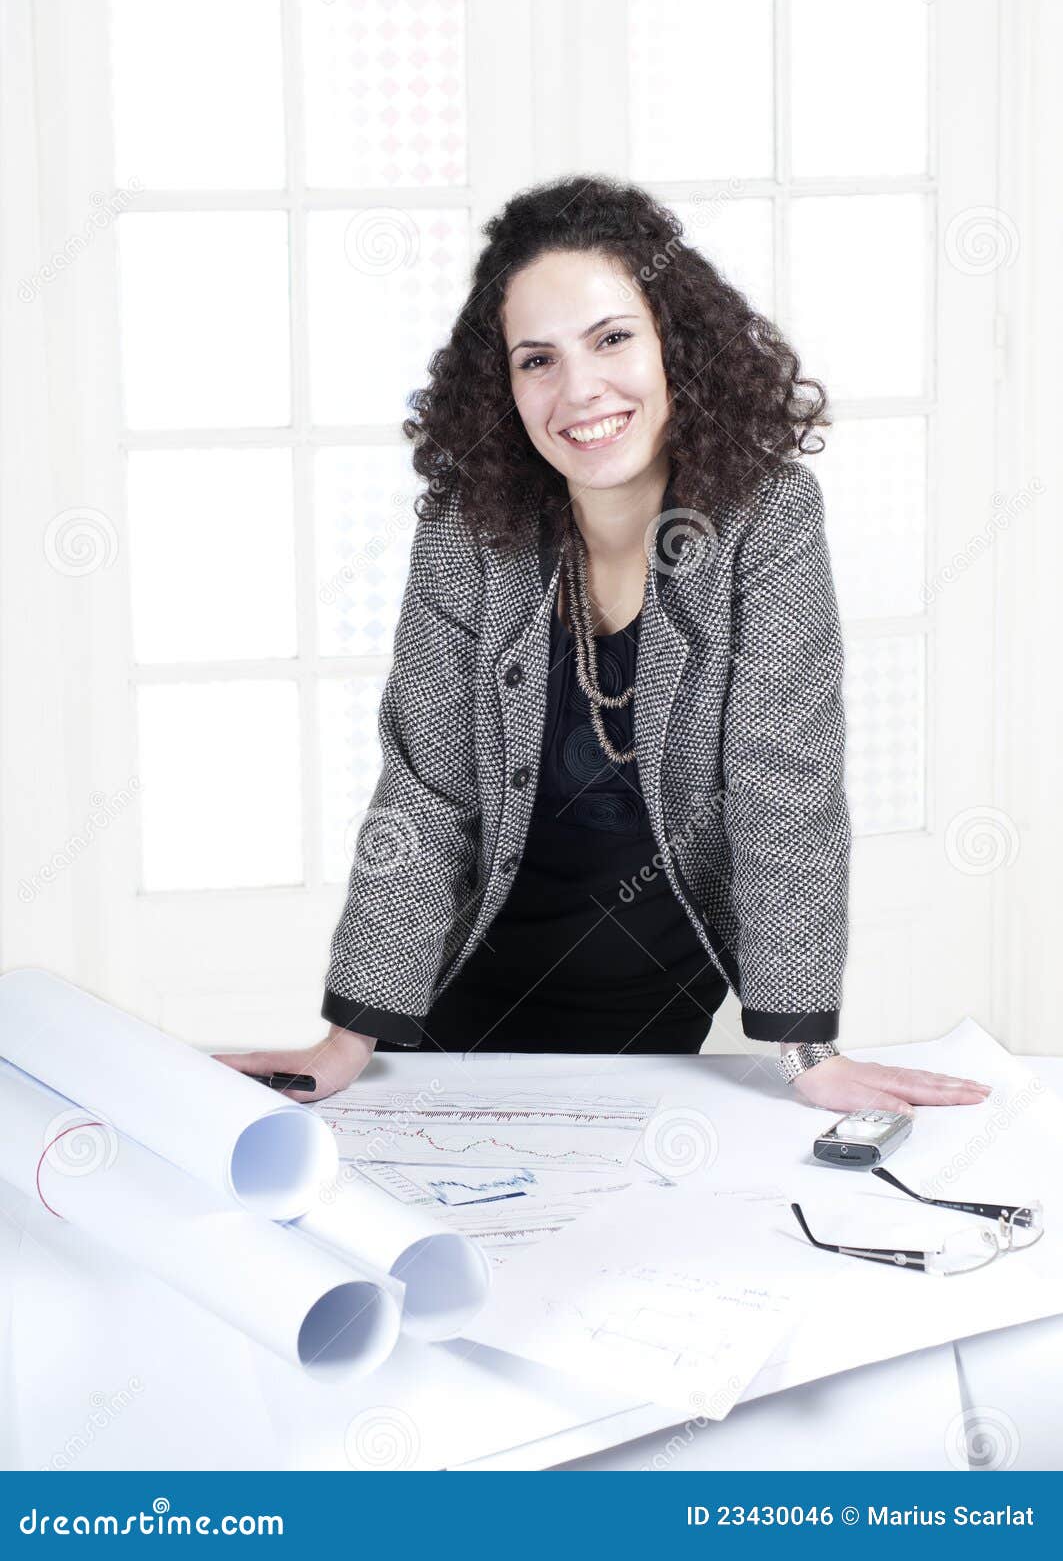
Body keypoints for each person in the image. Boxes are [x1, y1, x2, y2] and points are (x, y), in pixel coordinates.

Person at [216, 177, 990, 1118]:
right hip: (452, 1011)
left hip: (651, 1027)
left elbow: (780, 781)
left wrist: (802, 1049)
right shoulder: (469, 532)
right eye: (536, 359)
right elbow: (424, 788)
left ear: (677, 343)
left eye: (612, 338)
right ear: (500, 386)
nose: (578, 390)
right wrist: (350, 1037)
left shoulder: (765, 515)